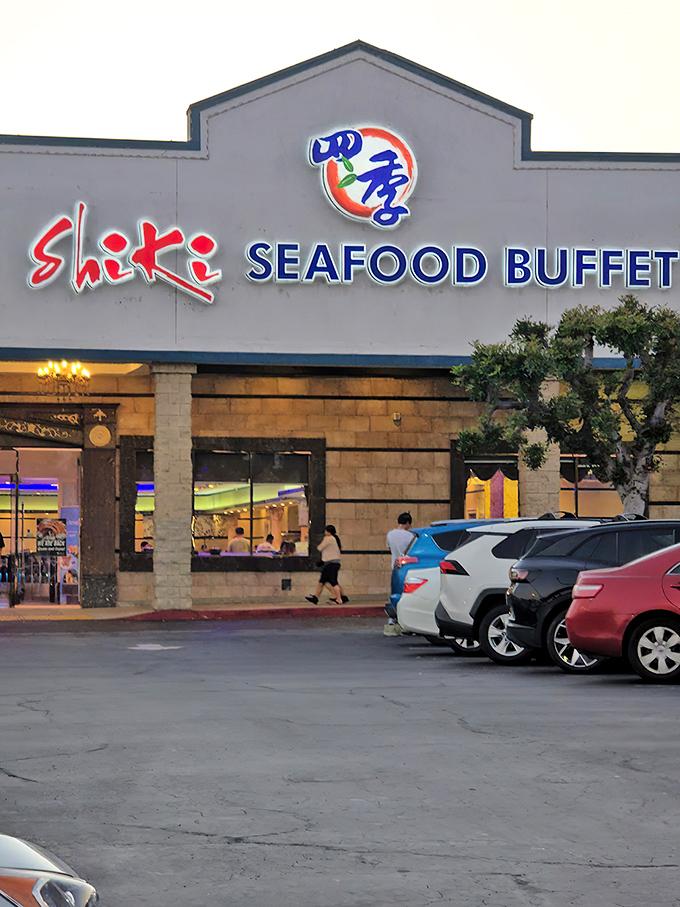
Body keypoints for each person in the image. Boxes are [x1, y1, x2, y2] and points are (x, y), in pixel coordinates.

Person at [385, 512, 414, 633]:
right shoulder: (410, 536)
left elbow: (389, 549)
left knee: (395, 593)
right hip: (408, 568)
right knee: (408, 595)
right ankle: (407, 622)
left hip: (395, 567)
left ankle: (393, 618)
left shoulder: (390, 534)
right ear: (407, 523)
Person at [305, 524, 349, 605]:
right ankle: (317, 597)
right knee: (323, 581)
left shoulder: (329, 539)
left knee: (332, 582)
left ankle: (338, 598)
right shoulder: (335, 539)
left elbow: (319, 548)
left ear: (329, 532)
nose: (325, 533)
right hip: (334, 563)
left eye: (326, 531)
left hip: (330, 564)